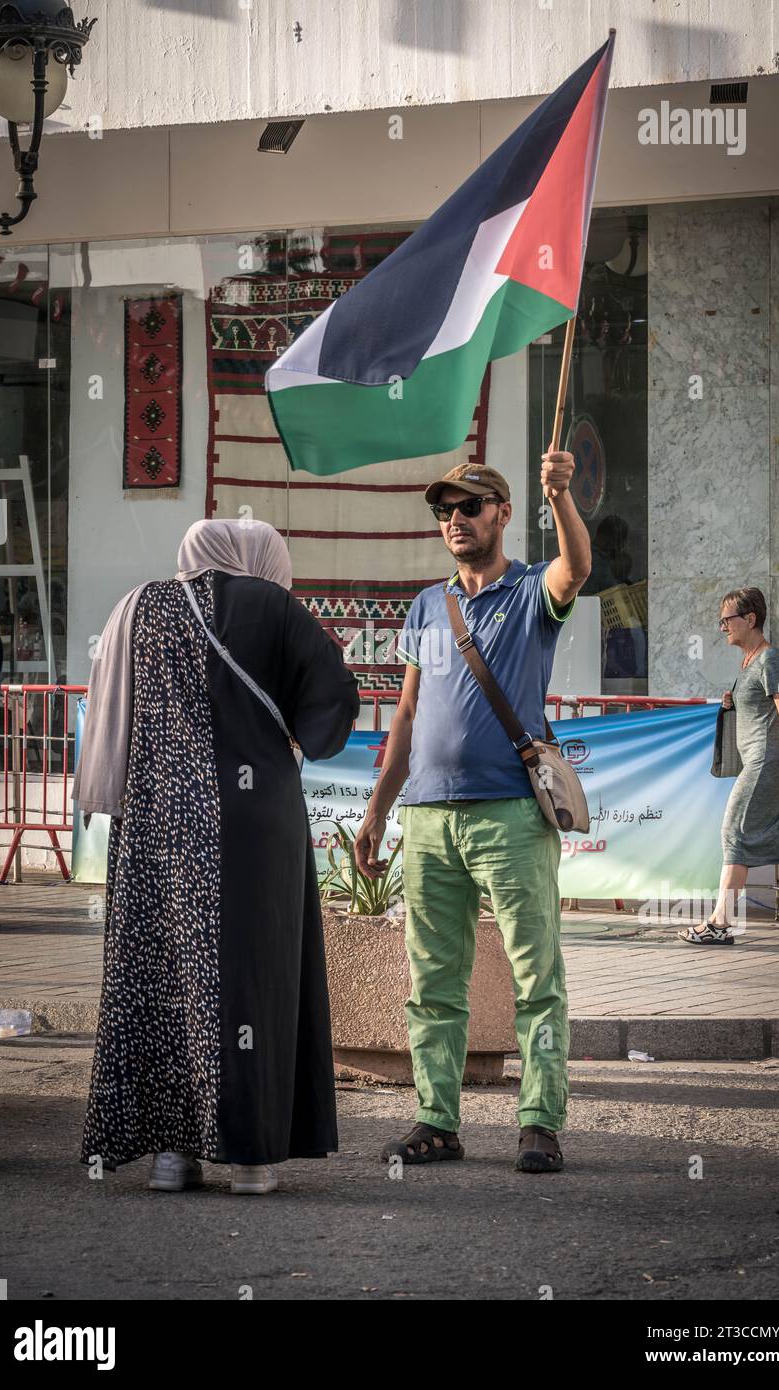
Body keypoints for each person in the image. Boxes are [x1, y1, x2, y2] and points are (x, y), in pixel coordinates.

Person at [73, 519, 359, 1193]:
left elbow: (111, 713)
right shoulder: (274, 603)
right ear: (258, 558)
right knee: (252, 976)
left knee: (165, 977)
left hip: (155, 824)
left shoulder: (136, 606)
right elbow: (327, 721)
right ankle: (252, 1160)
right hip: (252, 823)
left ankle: (174, 1156)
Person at [354, 455, 590, 1173]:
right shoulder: (429, 606)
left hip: (511, 817)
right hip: (427, 819)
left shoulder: (530, 593)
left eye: (470, 506)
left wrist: (562, 496)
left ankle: (540, 1123)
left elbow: (574, 569)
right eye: (445, 509)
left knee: (535, 978)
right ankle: (436, 1120)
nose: (455, 519)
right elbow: (406, 715)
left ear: (503, 514)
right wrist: (376, 811)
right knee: (432, 983)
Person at [679, 586, 779, 946]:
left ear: (750, 619)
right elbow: (759, 707)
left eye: (726, 620)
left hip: (766, 762)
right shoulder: (748, 662)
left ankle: (720, 922)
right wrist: (732, 703)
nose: (722, 627)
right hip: (762, 761)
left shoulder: (770, 658)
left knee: (734, 832)